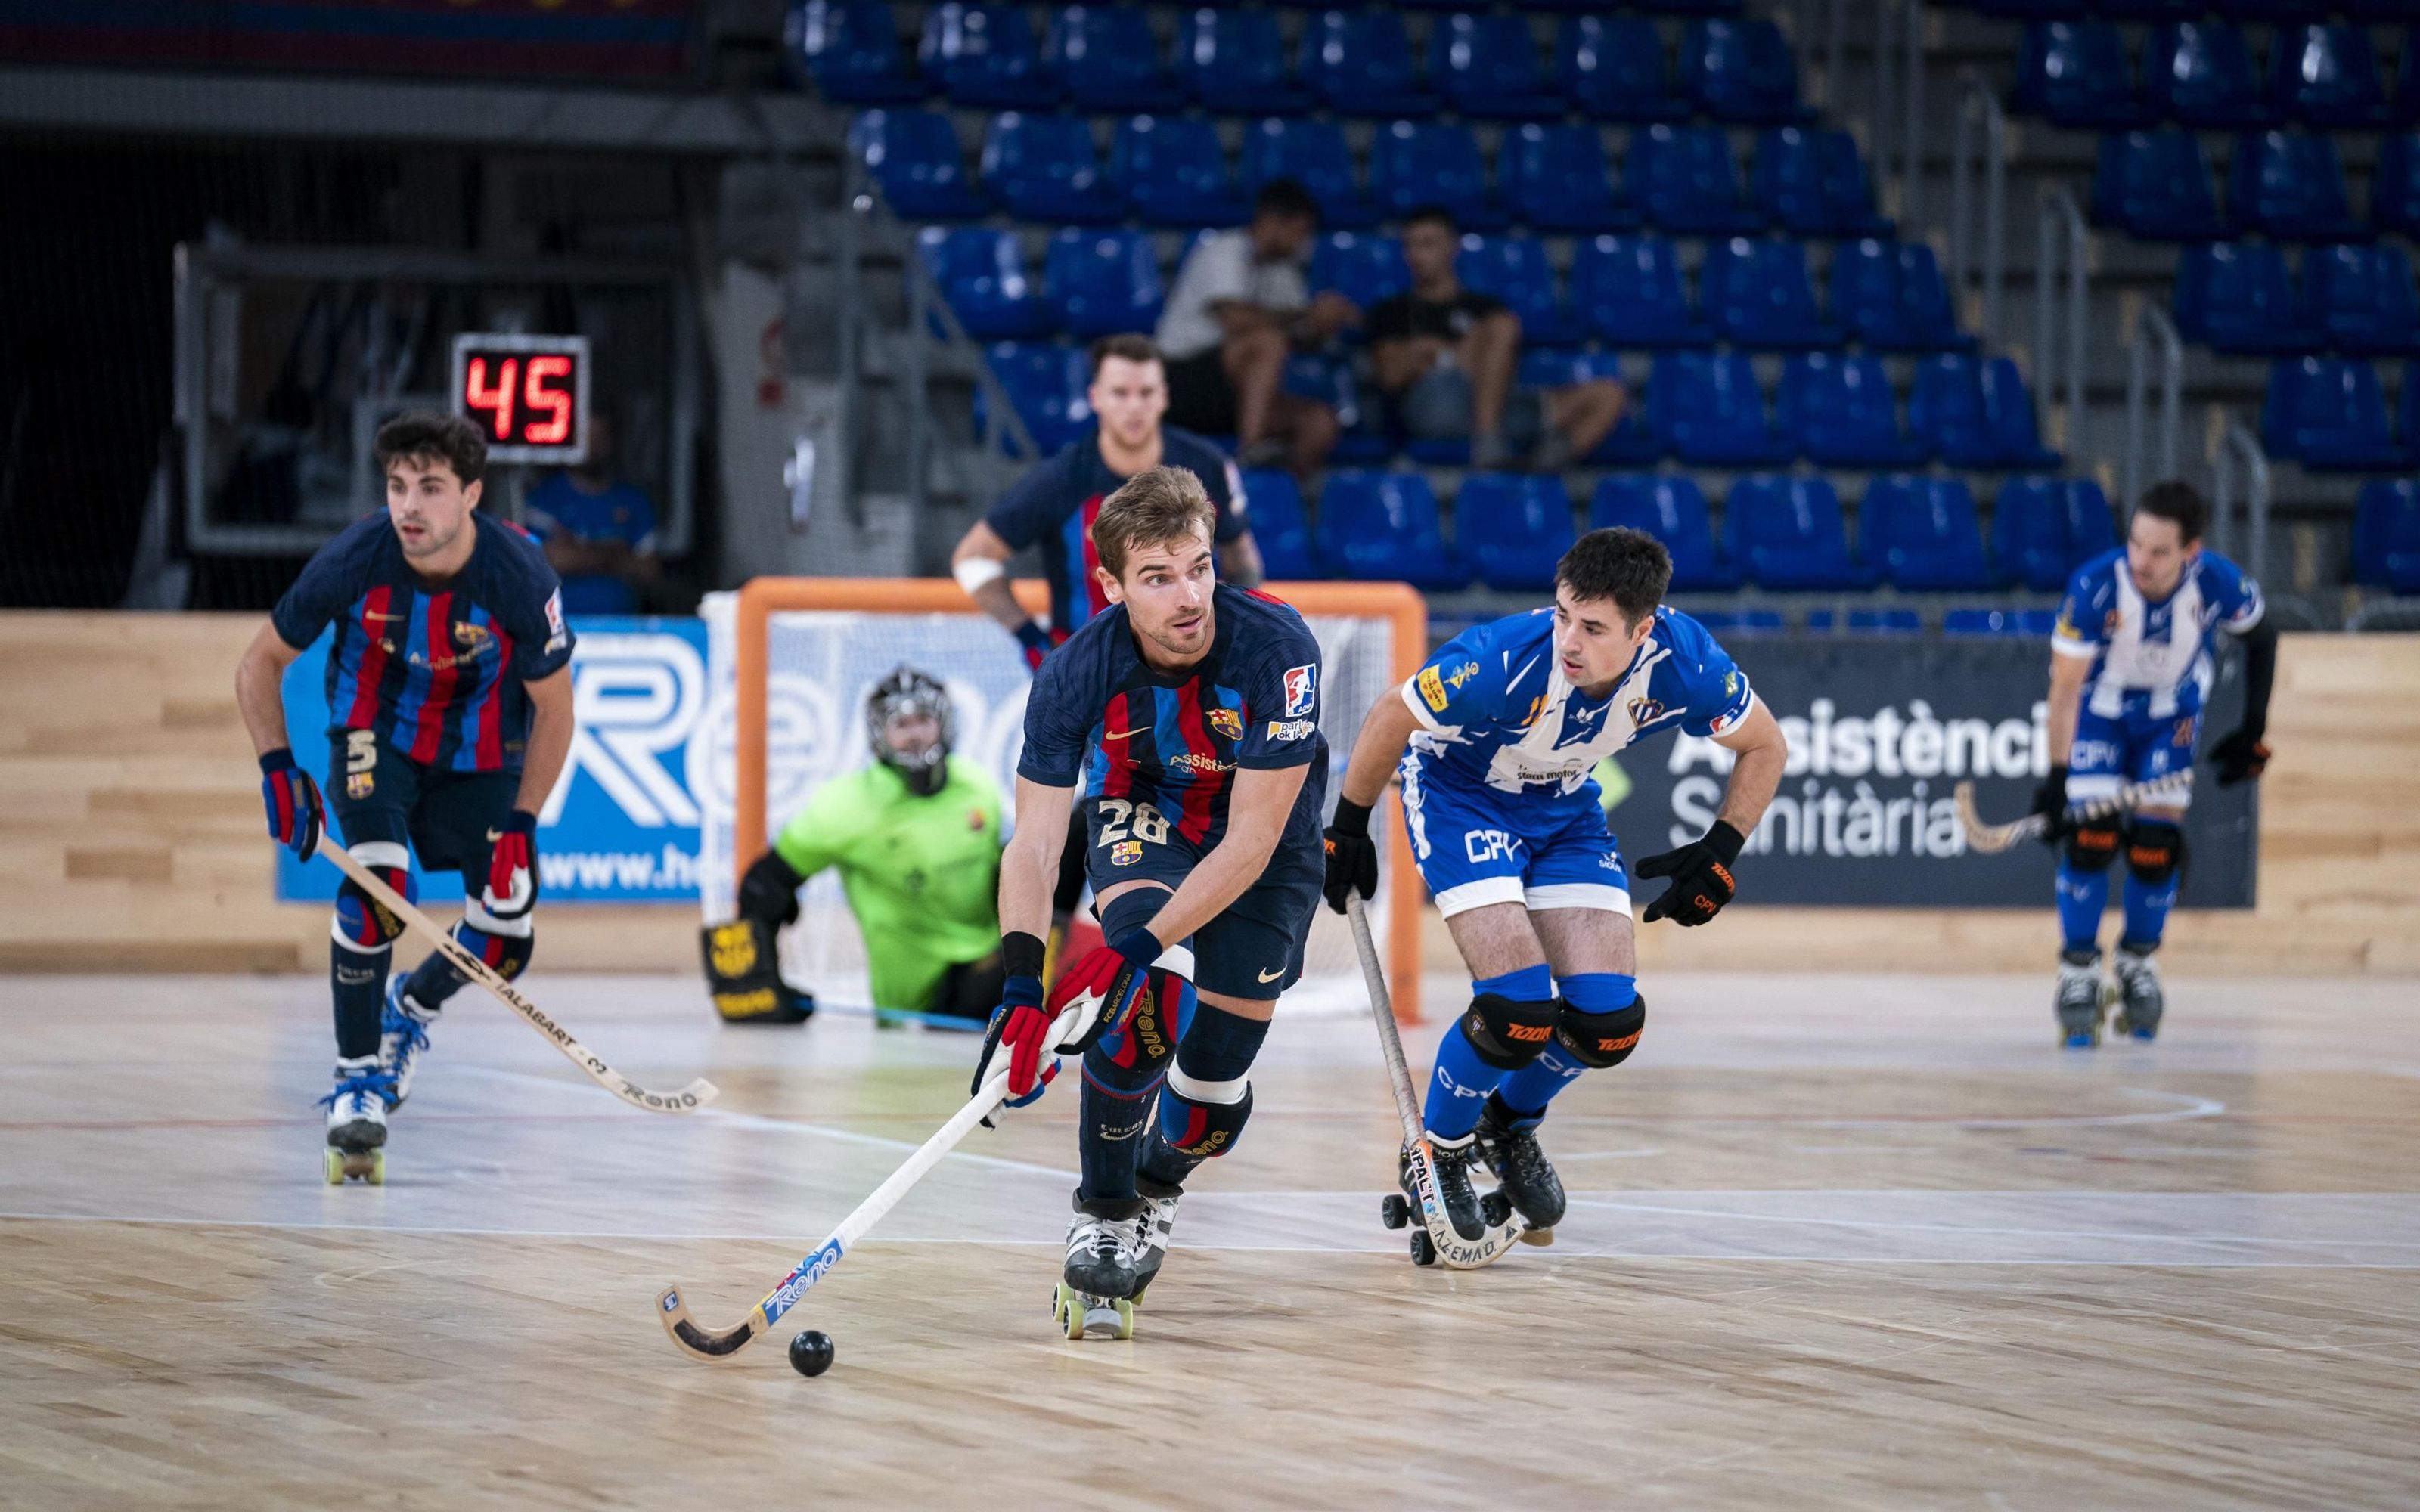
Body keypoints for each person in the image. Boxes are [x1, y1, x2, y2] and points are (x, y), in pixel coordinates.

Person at [1321, 528, 1787, 1244]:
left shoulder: (1687, 663)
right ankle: (1438, 1152)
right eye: (1564, 614)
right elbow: (1391, 715)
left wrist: (1722, 849)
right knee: (1517, 1009)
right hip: (1460, 797)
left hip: (1564, 806)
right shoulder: (1500, 661)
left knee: (1609, 1024)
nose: (1568, 639)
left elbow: (1765, 743)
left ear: (1643, 631)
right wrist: (1348, 829)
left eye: (1593, 627)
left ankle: (1507, 1126)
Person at [970, 465, 1328, 1335]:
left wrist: (1126, 949)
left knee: (1208, 1106)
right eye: (1157, 577)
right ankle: (1101, 1211)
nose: (1188, 596)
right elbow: (1036, 842)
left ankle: (1155, 1184)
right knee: (1143, 1010)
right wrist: (1021, 981)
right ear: (1111, 585)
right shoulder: (1074, 671)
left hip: (1265, 847)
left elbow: (1250, 843)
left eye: (1197, 568)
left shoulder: (1279, 649)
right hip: (1146, 812)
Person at [234, 411, 575, 1177]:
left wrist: (523, 823)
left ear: (472, 495)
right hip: (375, 735)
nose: (409, 507)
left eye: (430, 487)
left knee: (507, 933)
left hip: (478, 753)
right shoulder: (357, 556)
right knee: (377, 892)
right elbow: (258, 663)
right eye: (396, 486)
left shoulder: (520, 576)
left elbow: (555, 710)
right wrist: (278, 768)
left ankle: (410, 1008)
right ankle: (357, 1079)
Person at [2034, 481, 2275, 1046]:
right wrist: (2057, 777)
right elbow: (2065, 690)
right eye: (2135, 544)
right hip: (2100, 713)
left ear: (2191, 551)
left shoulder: (2217, 582)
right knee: (2090, 837)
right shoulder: (2095, 586)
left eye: (2159, 551)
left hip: (2172, 715)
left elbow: (2263, 639)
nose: (2141, 561)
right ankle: (2078, 971)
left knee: (2155, 845)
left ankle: (2139, 961)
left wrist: (2253, 731)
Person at [951, 333, 1262, 665]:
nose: (1134, 406)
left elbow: (1242, 560)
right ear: (1095, 397)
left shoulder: (1207, 466)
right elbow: (972, 559)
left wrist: (1234, 633)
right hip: (1087, 671)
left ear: (1164, 397)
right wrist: (1033, 640)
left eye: (1146, 393)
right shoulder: (1059, 480)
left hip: (1190, 667)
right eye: (1120, 393)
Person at [721, 668, 1007, 1028]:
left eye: (923, 721)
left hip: (991, 966)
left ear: (944, 723)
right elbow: (763, 884)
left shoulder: (977, 785)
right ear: (878, 734)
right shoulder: (846, 805)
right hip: (919, 1005)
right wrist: (757, 981)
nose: (915, 735)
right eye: (901, 725)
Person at [1366, 205, 1627, 472]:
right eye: (1409, 246)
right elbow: (1391, 376)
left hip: (1496, 404)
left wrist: (1436, 354)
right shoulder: (1392, 311)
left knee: (1609, 393)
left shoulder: (1486, 308)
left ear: (1452, 246)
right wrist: (1464, 353)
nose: (1415, 255)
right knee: (1494, 337)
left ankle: (1539, 465)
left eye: (1427, 244)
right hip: (1437, 406)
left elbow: (1502, 368)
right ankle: (1488, 442)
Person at [1154, 179, 1353, 475]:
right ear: (1271, 221)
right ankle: (1252, 450)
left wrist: (1322, 323)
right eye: (1300, 231)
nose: (1304, 244)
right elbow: (1236, 320)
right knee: (1267, 342)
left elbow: (1298, 334)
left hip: (1240, 397)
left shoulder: (1284, 272)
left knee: (1320, 422)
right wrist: (1305, 315)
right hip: (1181, 381)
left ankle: (1282, 493)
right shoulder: (1223, 249)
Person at [524, 415, 659, 615]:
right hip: (560, 623)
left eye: (600, 438)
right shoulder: (545, 497)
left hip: (623, 624)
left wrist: (577, 550)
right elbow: (548, 560)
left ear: (611, 442)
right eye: (585, 438)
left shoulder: (633, 500)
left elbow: (650, 570)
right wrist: (617, 553)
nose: (592, 447)